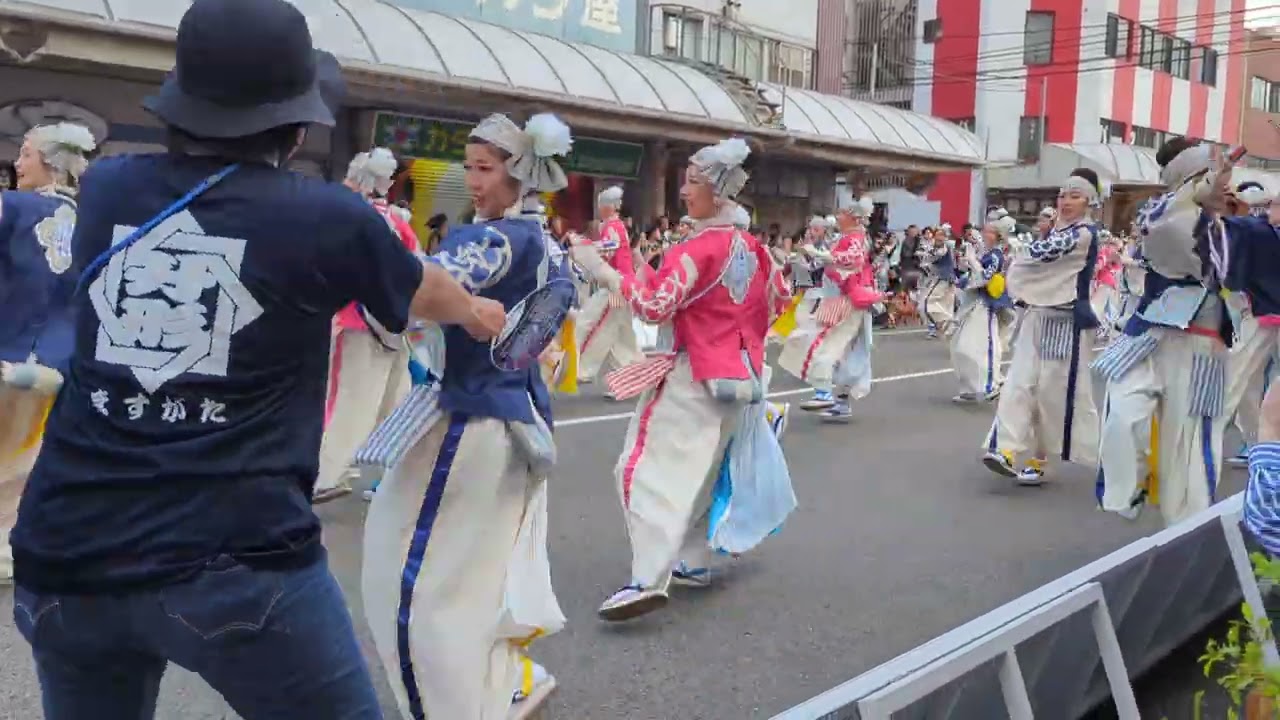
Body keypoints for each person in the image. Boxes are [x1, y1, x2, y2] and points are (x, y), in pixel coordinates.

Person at [8, 2, 505, 718]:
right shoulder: (324, 218)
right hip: (237, 565)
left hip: (67, 554)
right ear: (297, 125)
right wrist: (478, 313)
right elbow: (420, 285)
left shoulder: (109, 189)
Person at [360, 111, 573, 720]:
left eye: (484, 169)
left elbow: (409, 296)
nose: (471, 180)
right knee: (474, 578)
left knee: (412, 583)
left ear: (519, 174)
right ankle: (500, 684)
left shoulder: (491, 241)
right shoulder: (549, 246)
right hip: (515, 415)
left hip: (466, 415)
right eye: (470, 167)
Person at [569, 137, 792, 622]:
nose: (684, 191)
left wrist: (602, 271)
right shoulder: (755, 250)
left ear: (718, 191)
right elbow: (781, 299)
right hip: (741, 374)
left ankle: (649, 576)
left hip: (692, 371)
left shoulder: (696, 250)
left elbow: (652, 306)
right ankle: (693, 558)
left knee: (641, 469)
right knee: (705, 469)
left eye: (693, 182)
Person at [1094, 138, 1233, 525]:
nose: (1222, 183)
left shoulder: (1236, 226)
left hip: (1205, 346)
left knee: (1190, 447)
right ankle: (1129, 486)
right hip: (1149, 333)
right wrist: (1202, 193)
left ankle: (1187, 534)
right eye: (1210, 176)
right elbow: (1171, 225)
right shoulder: (1158, 214)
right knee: (1121, 412)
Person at [0, 122, 96, 585]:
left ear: (50, 162)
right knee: (31, 456)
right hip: (62, 360)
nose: (18, 164)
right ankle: (16, 546)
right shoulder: (95, 221)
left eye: (25, 154)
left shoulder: (10, 207)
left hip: (10, 351)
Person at [983, 167, 1104, 487]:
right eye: (1062, 195)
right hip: (1037, 315)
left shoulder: (1084, 234)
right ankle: (1006, 450)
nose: (1066, 202)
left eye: (1075, 196)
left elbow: (1036, 253)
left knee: (1051, 395)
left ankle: (1042, 456)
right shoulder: (1057, 232)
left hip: (1066, 322)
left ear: (1089, 202)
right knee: (1018, 383)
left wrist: (1009, 226)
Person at [313, 148, 419, 504]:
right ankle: (396, 476)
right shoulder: (398, 221)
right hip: (396, 324)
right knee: (396, 402)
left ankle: (328, 473)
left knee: (348, 399)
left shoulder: (349, 217)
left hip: (357, 319)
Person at [779, 196, 881, 421]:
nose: (838, 216)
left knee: (825, 344)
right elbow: (823, 265)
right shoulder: (846, 237)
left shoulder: (856, 238)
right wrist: (805, 257)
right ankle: (838, 401)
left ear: (853, 216)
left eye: (842, 212)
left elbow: (851, 261)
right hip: (837, 298)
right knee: (840, 350)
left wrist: (821, 254)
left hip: (846, 300)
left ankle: (825, 393)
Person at [576, 185, 642, 389]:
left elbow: (608, 250)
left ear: (609, 207)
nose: (600, 208)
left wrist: (583, 246)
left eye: (602, 204)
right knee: (621, 334)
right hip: (624, 284)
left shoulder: (611, 226)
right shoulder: (615, 225)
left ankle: (583, 369)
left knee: (592, 323)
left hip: (616, 285)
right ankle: (632, 374)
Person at [950, 214, 1014, 404]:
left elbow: (985, 277)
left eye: (988, 231)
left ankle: (991, 385)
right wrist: (962, 275)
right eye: (983, 230)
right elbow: (971, 276)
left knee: (981, 346)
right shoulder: (984, 253)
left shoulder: (995, 255)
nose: (983, 234)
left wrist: (972, 263)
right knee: (962, 346)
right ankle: (971, 387)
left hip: (984, 305)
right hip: (973, 303)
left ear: (997, 235)